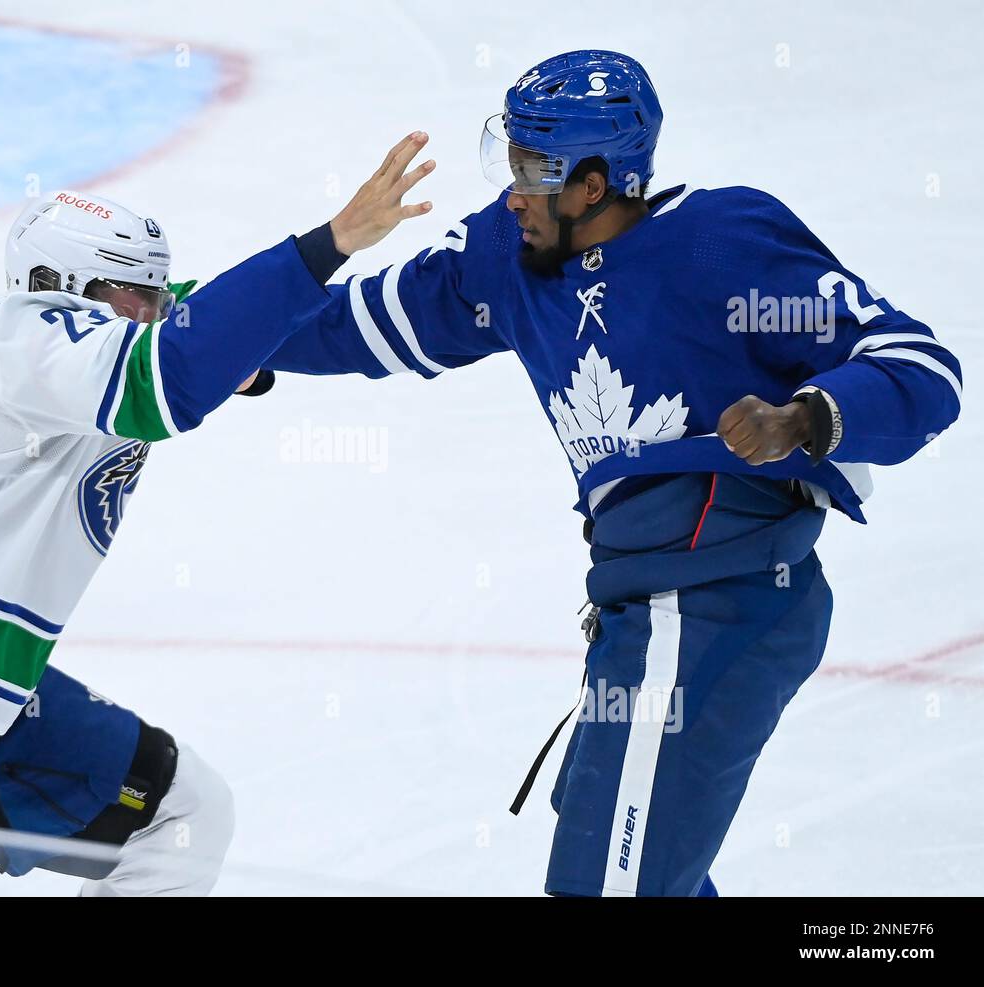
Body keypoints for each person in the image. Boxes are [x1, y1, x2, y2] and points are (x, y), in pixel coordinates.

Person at [262, 51, 963, 896]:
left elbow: (923, 366)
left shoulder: (723, 242)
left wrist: (805, 418)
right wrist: (222, 339)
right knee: (635, 874)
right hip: (642, 614)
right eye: (508, 160)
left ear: (596, 184)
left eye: (533, 170)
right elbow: (360, 324)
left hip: (725, 608)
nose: (511, 190)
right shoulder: (506, 256)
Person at [0, 134, 436, 897]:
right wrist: (332, 242)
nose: (152, 311)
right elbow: (176, 372)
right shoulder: (24, 336)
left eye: (155, 294)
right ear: (56, 282)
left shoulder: (79, 331)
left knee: (183, 812)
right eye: (134, 292)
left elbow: (219, 326)